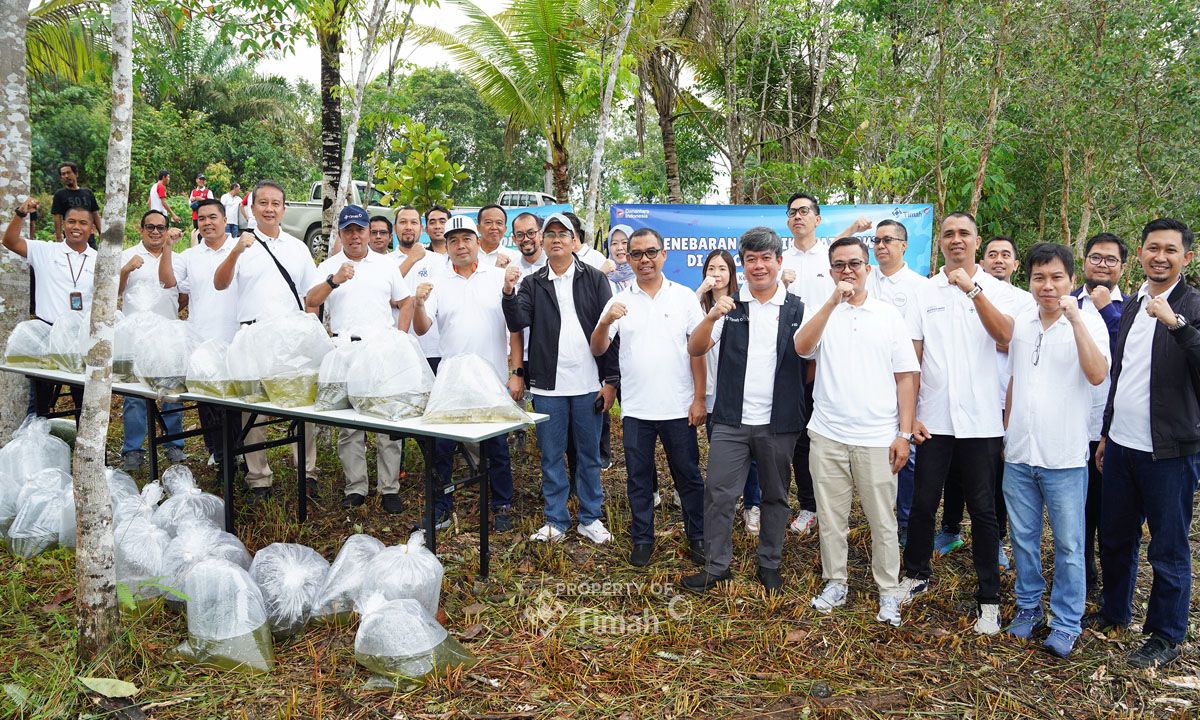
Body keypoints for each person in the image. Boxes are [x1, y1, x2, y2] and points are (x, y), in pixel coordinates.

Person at [900, 211, 1022, 636]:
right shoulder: (924, 292)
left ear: (976, 240)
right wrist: (909, 413)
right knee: (923, 503)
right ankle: (915, 574)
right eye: (949, 234)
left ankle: (988, 597)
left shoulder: (1005, 293)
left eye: (964, 234)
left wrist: (973, 290)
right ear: (941, 243)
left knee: (984, 512)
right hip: (933, 420)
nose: (956, 240)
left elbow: (1005, 337)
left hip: (984, 421)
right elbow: (912, 357)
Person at [1086, 218, 1200, 670]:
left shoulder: (1192, 304)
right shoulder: (1134, 303)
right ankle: (1114, 611)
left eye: (1171, 250)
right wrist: (1107, 432)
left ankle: (1166, 635)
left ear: (1186, 258)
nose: (1161, 256)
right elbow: (1122, 374)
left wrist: (1178, 325)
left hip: (1170, 451)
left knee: (1168, 547)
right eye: (1153, 248)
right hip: (1121, 446)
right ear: (1141, 253)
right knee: (1115, 537)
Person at [794, 237, 919, 625]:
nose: (847, 270)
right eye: (839, 265)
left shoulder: (888, 315)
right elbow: (801, 348)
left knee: (883, 520)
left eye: (854, 263)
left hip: (877, 437)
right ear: (830, 271)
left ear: (868, 268)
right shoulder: (821, 311)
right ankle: (836, 582)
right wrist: (832, 302)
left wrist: (904, 433)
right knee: (832, 517)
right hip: (828, 434)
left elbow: (906, 377)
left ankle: (887, 590)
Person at [682, 226, 808, 595]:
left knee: (775, 496)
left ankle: (769, 563)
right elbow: (695, 349)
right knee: (719, 495)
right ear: (743, 264)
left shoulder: (797, 307)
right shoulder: (730, 306)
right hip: (731, 421)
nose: (758, 266)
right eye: (751, 259)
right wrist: (710, 317)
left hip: (778, 424)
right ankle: (716, 566)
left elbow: (809, 360)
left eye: (765, 258)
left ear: (778, 261)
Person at [1001, 243, 1109, 659]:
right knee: (1023, 539)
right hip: (1020, 454)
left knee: (1068, 545)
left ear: (1071, 279)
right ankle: (1028, 608)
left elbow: (1098, 375)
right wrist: (1008, 433)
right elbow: (1013, 380)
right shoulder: (1023, 322)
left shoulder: (1088, 320)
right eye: (1039, 277)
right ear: (1028, 281)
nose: (1047, 286)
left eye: (1056, 277)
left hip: (1064, 457)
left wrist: (1076, 319)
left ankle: (1066, 622)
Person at [591, 227, 706, 567]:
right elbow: (598, 347)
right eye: (636, 254)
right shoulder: (619, 299)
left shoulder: (684, 296)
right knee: (639, 480)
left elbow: (698, 350)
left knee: (688, 476)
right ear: (626, 258)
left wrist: (700, 398)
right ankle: (642, 539)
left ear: (664, 254)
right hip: (637, 409)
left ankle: (697, 535)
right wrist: (604, 322)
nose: (645, 260)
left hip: (678, 405)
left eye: (651, 252)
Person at [502, 213, 618, 543]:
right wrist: (508, 291)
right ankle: (555, 519)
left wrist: (610, 380)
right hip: (548, 386)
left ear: (573, 240)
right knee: (551, 455)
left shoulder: (594, 278)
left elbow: (611, 329)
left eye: (562, 234)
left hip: (587, 383)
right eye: (549, 233)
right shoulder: (533, 281)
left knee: (589, 455)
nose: (556, 239)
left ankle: (590, 517)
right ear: (542, 240)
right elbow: (518, 320)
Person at [213, 180, 321, 503]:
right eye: (263, 203)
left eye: (276, 203)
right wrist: (234, 251)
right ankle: (259, 478)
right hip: (252, 336)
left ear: (284, 209)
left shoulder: (298, 248)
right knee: (253, 410)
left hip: (290, 339)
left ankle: (308, 473)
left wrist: (312, 330)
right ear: (252, 207)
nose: (270, 209)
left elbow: (311, 294)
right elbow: (220, 283)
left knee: (302, 407)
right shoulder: (240, 244)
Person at [413, 215, 520, 532]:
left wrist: (516, 371)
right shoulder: (438, 283)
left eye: (466, 239)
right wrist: (418, 303)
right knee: (441, 449)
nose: (461, 246)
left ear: (477, 242)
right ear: (446, 247)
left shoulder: (498, 277)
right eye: (453, 241)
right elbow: (422, 328)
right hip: (452, 380)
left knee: (497, 448)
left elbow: (515, 327)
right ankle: (442, 508)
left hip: (493, 378)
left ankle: (502, 505)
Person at [306, 205, 414, 514]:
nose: (355, 236)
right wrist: (334, 280)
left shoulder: (385, 265)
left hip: (381, 350)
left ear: (369, 232)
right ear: (340, 233)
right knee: (348, 425)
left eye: (360, 229)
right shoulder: (329, 266)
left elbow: (406, 302)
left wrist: (400, 337)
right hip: (345, 351)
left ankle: (389, 487)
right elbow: (311, 301)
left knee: (385, 420)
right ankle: (356, 488)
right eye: (348, 230)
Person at [937, 235, 1033, 566]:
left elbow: (1014, 341)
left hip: (1004, 398)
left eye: (1006, 255)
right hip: (964, 398)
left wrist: (997, 336)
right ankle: (950, 528)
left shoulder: (1020, 299)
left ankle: (997, 541)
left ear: (1016, 264)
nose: (999, 260)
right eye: (993, 254)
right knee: (953, 470)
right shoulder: (953, 291)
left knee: (995, 477)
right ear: (983, 257)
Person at [159, 198, 240, 464]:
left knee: (236, 402)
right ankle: (217, 454)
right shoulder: (190, 256)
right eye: (202, 219)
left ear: (225, 220)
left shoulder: (242, 250)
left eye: (212, 217)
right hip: (202, 340)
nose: (207, 223)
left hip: (236, 338)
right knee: (207, 404)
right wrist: (168, 248)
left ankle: (237, 454)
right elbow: (167, 281)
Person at [864, 219, 929, 548]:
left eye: (888, 240)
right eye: (876, 240)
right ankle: (876, 518)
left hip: (902, 383)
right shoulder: (865, 278)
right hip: (866, 384)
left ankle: (904, 522)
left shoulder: (919, 286)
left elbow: (917, 350)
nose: (880, 246)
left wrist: (913, 405)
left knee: (905, 455)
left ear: (904, 245)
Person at [2, 198, 94, 418]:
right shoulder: (45, 250)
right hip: (47, 333)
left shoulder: (99, 260)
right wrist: (20, 214)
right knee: (40, 401)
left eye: (83, 223)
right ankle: (35, 445)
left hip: (80, 337)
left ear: (91, 229)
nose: (76, 227)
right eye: (71, 221)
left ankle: (85, 450)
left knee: (83, 400)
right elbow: (10, 241)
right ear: (63, 224)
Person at [1071, 232, 1126, 598]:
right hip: (1070, 423)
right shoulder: (1066, 301)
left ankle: (1110, 584)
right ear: (1084, 261)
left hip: (1109, 427)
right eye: (1095, 258)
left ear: (1123, 266)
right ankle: (1081, 569)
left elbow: (1128, 349)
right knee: (1075, 508)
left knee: (1107, 508)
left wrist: (1106, 308)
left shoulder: (1134, 306)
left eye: (1110, 259)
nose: (1102, 265)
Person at [779, 192, 833, 537]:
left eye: (805, 211)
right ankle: (803, 504)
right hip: (788, 362)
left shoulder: (832, 257)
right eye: (793, 213)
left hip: (829, 362)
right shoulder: (779, 259)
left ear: (817, 219)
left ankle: (827, 506)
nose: (798, 217)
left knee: (826, 437)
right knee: (794, 437)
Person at [697, 249, 762, 534]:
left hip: (738, 393)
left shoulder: (742, 305)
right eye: (711, 268)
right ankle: (730, 500)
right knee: (722, 453)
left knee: (753, 456)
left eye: (722, 269)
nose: (716, 274)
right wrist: (702, 292)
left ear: (732, 274)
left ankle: (753, 504)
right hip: (710, 394)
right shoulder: (695, 305)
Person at [116, 210, 186, 470]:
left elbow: (181, 295)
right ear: (141, 229)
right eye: (150, 227)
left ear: (167, 230)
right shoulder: (127, 255)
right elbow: (115, 293)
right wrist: (125, 270)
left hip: (168, 335)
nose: (155, 232)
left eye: (160, 227)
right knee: (135, 396)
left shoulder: (178, 258)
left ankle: (174, 445)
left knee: (171, 393)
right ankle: (133, 450)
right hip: (136, 338)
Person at [51, 161, 101, 244]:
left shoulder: (88, 193)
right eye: (63, 174)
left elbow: (95, 214)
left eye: (68, 173)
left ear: (76, 174)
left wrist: (101, 233)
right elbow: (57, 218)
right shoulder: (59, 195)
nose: (66, 176)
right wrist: (59, 238)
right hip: (70, 234)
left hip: (88, 235)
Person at [513, 212, 547, 277]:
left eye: (531, 233)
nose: (526, 239)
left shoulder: (555, 264)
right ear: (514, 239)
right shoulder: (511, 268)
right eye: (520, 235)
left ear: (540, 235)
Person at [606, 224, 635, 294]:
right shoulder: (603, 278)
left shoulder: (644, 276)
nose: (619, 248)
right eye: (614, 243)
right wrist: (600, 274)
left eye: (624, 242)